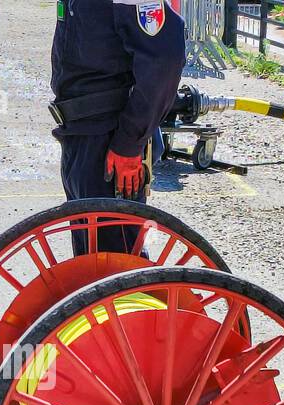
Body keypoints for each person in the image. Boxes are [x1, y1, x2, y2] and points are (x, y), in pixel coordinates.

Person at [49, 0, 186, 253]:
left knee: (116, 262)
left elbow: (164, 60)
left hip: (110, 138)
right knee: (92, 261)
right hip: (81, 132)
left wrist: (129, 143)